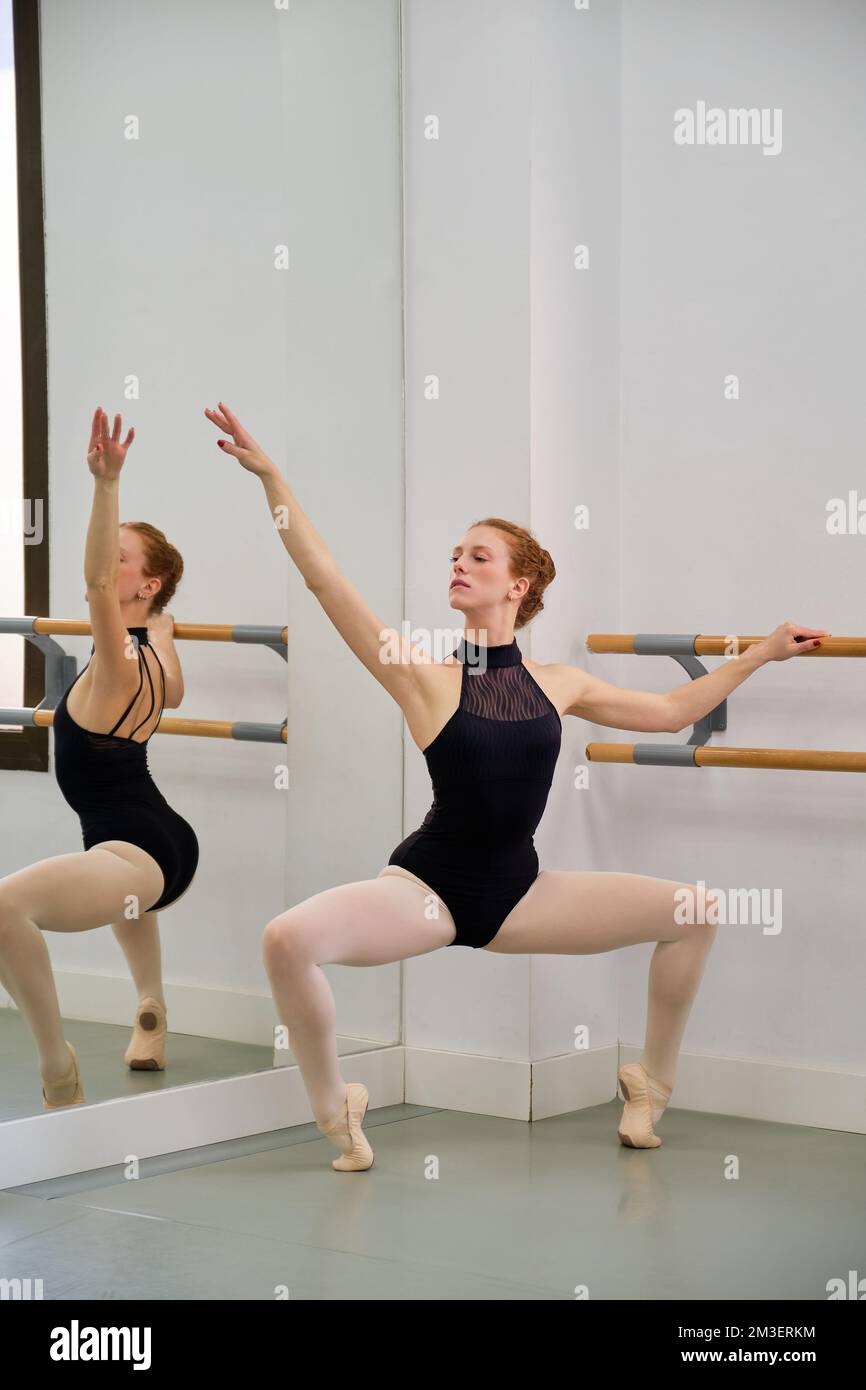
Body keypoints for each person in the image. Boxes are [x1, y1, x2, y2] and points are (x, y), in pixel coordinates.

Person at [206, 399, 826, 1167]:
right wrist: (272, 477)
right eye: (455, 555)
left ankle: (650, 1085)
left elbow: (671, 711)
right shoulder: (423, 678)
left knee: (695, 911)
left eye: (478, 557)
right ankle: (337, 1110)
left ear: (518, 585)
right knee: (286, 940)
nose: (458, 566)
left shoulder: (558, 682)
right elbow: (325, 579)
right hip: (427, 890)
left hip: (521, 894)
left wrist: (762, 652)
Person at [0, 408, 198, 1109]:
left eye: (120, 556)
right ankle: (152, 1011)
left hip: (138, 847)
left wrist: (105, 482)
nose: (104, 563)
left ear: (144, 585)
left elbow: (91, 589)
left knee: (3, 908)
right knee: (124, 898)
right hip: (157, 841)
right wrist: (164, 624)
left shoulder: (116, 659)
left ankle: (58, 1069)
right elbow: (174, 683)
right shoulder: (151, 657)